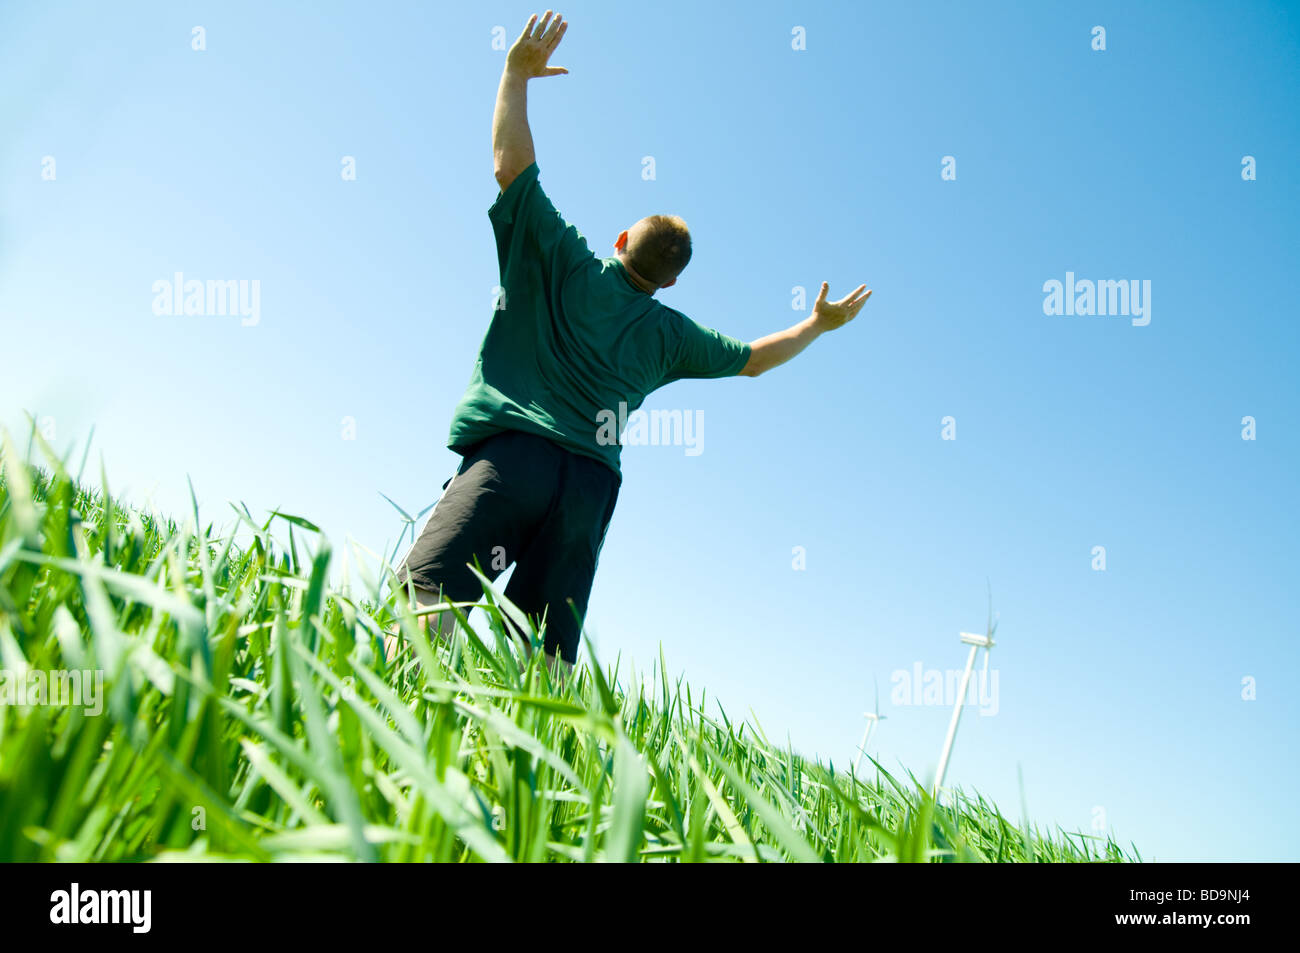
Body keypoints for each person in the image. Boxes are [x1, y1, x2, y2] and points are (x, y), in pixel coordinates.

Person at [387, 11, 871, 675]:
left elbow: (511, 167)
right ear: (670, 281)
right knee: (545, 657)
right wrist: (818, 324)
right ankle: (529, 764)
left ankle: (391, 732)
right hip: (587, 487)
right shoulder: (671, 335)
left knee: (430, 597)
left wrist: (514, 75)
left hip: (513, 460)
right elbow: (756, 360)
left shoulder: (564, 261)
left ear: (620, 241)